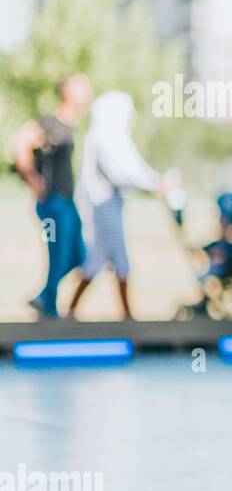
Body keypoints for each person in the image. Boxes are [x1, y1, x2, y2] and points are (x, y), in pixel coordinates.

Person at [66, 91, 167, 321]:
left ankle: (72, 311)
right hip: (103, 206)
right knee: (118, 259)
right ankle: (127, 316)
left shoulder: (116, 138)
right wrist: (153, 185)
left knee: (96, 260)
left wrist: (156, 181)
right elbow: (122, 173)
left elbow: (136, 168)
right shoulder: (103, 138)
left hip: (112, 205)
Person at [8, 74, 94, 319]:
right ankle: (49, 312)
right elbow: (20, 141)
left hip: (68, 201)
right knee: (58, 254)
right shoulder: (51, 123)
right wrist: (33, 179)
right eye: (83, 87)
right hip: (53, 202)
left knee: (79, 255)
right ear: (68, 91)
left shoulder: (70, 125)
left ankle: (45, 295)